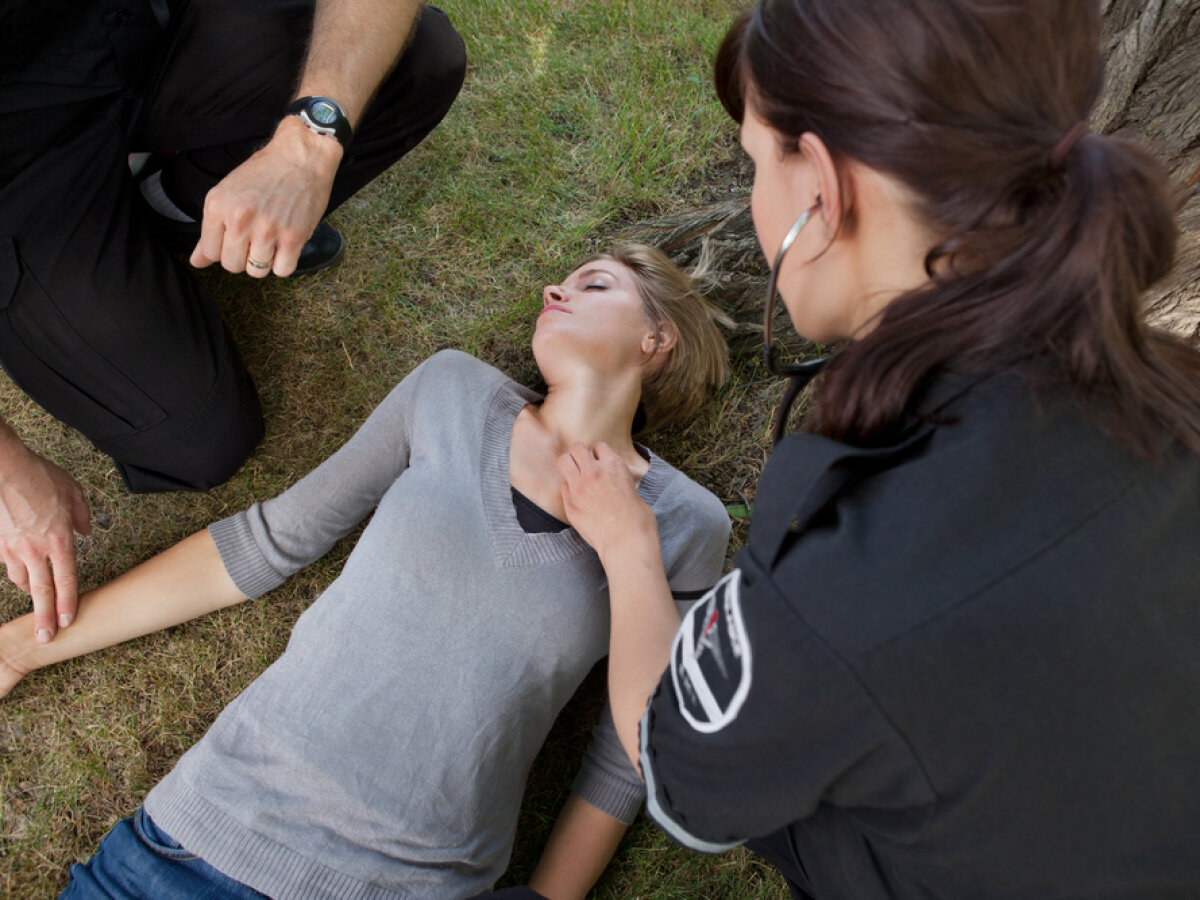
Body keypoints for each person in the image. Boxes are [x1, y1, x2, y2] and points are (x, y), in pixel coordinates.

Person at [557, 1, 1200, 898]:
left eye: (754, 164)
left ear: (819, 188)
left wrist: (629, 546)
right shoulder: (1160, 382)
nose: (752, 198)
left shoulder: (848, 578)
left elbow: (675, 768)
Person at [0, 244, 732, 900]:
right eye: (562, 281)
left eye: (593, 284)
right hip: (192, 853)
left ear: (656, 339)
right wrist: (23, 647)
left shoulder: (684, 523)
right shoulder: (453, 393)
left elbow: (630, 749)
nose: (555, 290)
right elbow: (270, 541)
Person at [0, 0, 466, 645]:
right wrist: (6, 473)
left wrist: (311, 138)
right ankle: (100, 254)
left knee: (419, 57)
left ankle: (171, 211)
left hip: (115, 24)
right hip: (15, 167)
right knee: (198, 438)